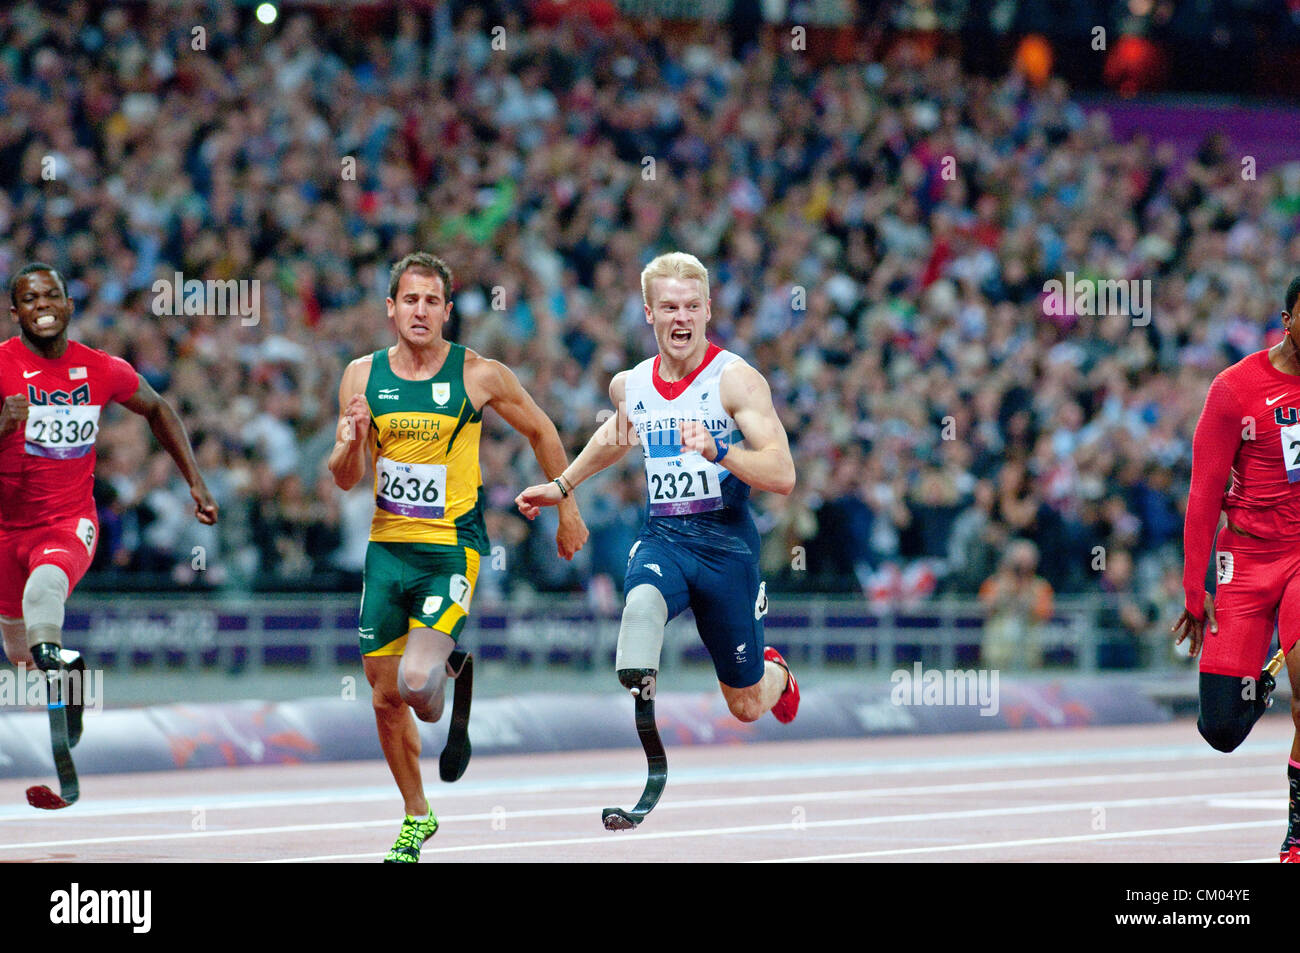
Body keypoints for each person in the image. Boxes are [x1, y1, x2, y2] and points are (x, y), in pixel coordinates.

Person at [329, 252, 587, 863]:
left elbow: (543, 431)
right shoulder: (360, 377)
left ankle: (444, 671)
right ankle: (417, 818)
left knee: (415, 684)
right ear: (391, 308)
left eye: (431, 301)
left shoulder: (478, 374)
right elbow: (345, 479)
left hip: (451, 549)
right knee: (385, 697)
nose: (420, 311)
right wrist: (347, 443)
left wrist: (567, 504)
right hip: (386, 552)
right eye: (409, 300)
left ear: (448, 310)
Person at [516, 251, 800, 745]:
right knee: (640, 606)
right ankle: (644, 724)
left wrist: (720, 449)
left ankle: (777, 674)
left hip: (726, 548)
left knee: (747, 704)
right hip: (664, 539)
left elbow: (782, 473)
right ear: (649, 314)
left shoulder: (735, 380)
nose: (681, 318)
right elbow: (619, 436)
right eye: (669, 308)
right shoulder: (630, 384)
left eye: (692, 306)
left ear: (708, 309)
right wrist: (562, 485)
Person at [0, 263, 218, 752]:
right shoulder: (0, 367)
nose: (43, 306)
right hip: (7, 530)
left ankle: (57, 665)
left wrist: (195, 481)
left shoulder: (99, 367)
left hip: (68, 522)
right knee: (19, 653)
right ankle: (67, 668)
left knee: (46, 589)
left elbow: (158, 408)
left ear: (69, 304)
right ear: (15, 313)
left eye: (51, 295)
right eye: (30, 300)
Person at [1173, 276, 1300, 863]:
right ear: (1286, 320)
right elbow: (1202, 496)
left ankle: (1297, 836)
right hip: (1244, 557)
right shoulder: (1235, 389)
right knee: (1220, 729)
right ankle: (1259, 683)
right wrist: (1193, 592)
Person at [978, 539, 1054, 671]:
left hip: (1029, 652)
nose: (1022, 567)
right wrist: (1003, 591)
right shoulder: (994, 583)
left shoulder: (1040, 586)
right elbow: (984, 611)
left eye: (1027, 562)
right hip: (997, 653)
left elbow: (1045, 615)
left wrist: (1027, 595)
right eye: (1018, 562)